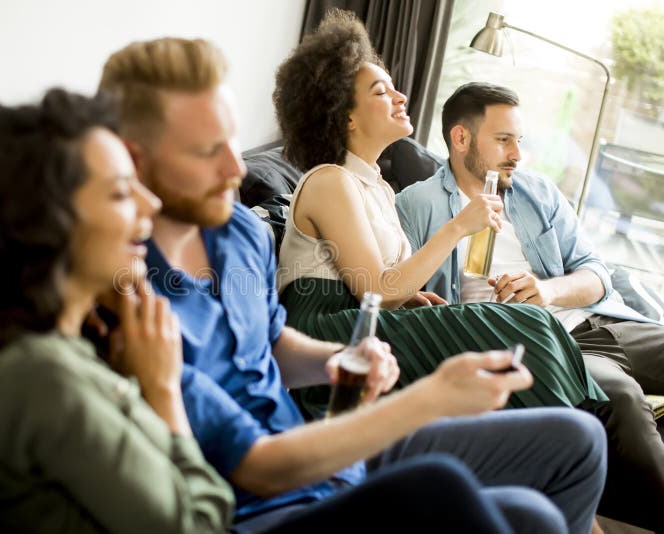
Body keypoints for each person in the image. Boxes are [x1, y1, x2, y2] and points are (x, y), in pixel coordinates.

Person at [98, 31, 607, 534]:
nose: (236, 167)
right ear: (136, 158)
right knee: (445, 478)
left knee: (545, 496)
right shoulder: (132, 289)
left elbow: (271, 339)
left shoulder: (242, 235)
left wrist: (331, 360)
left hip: (311, 440)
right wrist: (430, 396)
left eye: (231, 142)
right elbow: (246, 458)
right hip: (270, 486)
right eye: (206, 149)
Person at [0, 89, 236, 533]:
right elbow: (200, 526)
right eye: (122, 194)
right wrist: (162, 389)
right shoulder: (40, 376)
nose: (152, 203)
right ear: (47, 222)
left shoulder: (66, 351)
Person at [271, 9, 606, 422]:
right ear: (346, 116)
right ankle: (574, 426)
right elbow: (377, 289)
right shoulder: (329, 181)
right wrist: (458, 227)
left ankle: (574, 424)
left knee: (535, 322)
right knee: (526, 325)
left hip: (363, 320)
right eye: (381, 92)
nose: (400, 98)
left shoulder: (376, 186)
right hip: (328, 336)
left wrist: (411, 296)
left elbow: (383, 284)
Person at [396, 81, 664, 531]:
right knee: (620, 398)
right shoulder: (416, 206)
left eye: (519, 140)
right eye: (503, 140)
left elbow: (596, 272)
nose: (517, 154)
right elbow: (407, 299)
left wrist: (548, 290)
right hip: (550, 348)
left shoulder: (537, 192)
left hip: (600, 320)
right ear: (460, 138)